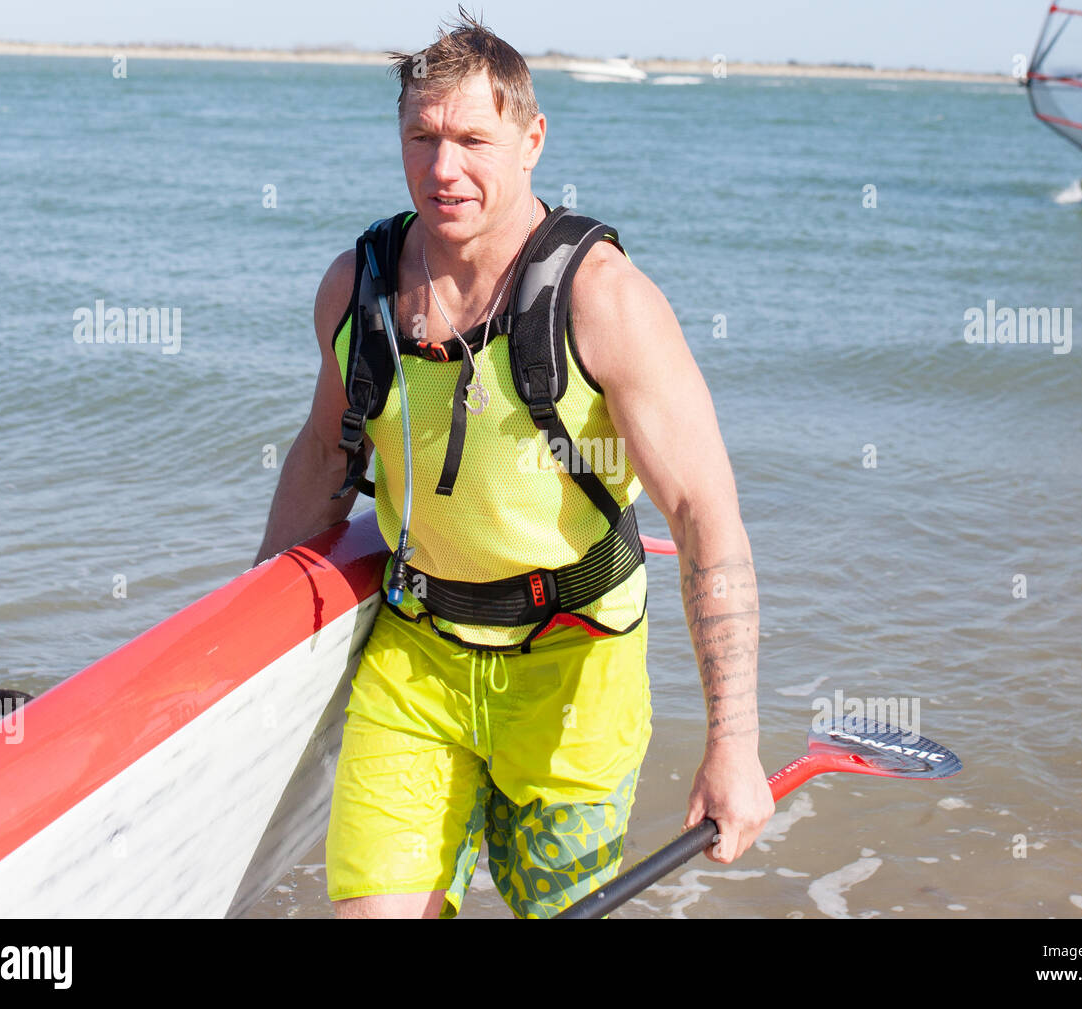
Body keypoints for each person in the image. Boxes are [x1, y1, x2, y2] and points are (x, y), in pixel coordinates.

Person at [254, 9, 773, 919]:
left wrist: (734, 746)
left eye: (471, 139)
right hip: (416, 663)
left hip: (572, 672)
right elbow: (321, 455)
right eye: (421, 137)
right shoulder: (358, 288)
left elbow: (703, 514)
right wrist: (252, 643)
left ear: (531, 139)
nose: (443, 168)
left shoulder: (603, 299)